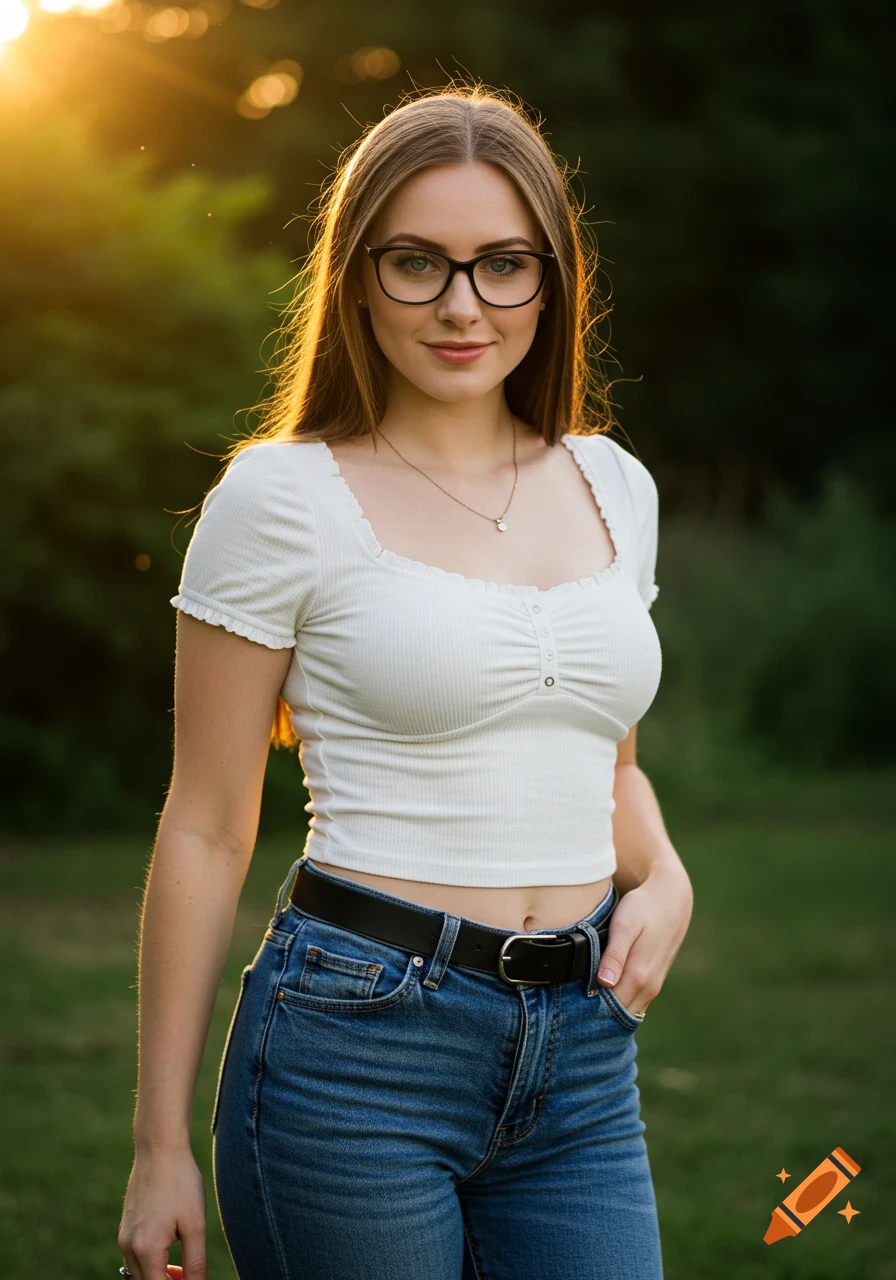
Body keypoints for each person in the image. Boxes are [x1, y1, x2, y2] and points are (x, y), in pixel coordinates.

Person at [117, 84, 693, 1280]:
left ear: (551, 274)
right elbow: (207, 826)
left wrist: (666, 871)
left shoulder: (611, 484)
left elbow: (608, 758)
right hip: (354, 1044)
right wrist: (157, 1138)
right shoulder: (279, 498)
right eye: (417, 263)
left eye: (501, 264)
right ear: (356, 275)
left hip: (582, 1051)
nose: (461, 305)